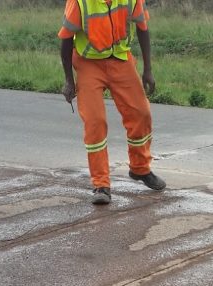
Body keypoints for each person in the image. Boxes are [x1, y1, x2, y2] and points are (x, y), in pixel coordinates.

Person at [59, 0, 166, 206]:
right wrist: (69, 80)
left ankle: (140, 168)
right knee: (95, 121)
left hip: (121, 59)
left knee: (141, 113)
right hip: (89, 64)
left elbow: (143, 28)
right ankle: (101, 184)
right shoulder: (79, 2)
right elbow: (65, 39)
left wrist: (148, 70)